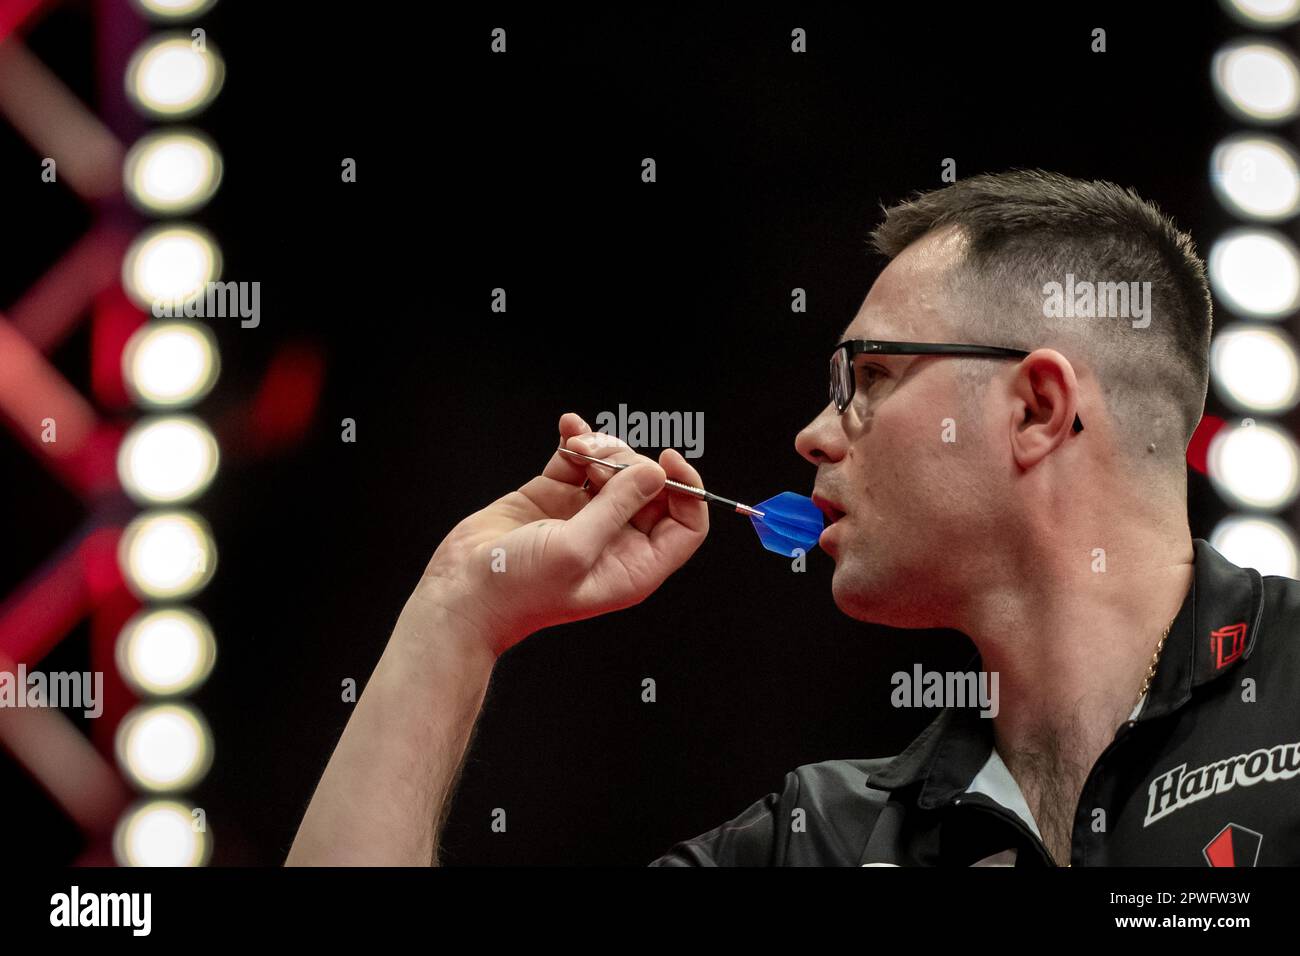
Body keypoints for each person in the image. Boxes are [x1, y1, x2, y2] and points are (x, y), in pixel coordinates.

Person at [287, 170, 1300, 867]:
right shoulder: (822, 836)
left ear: (1034, 410)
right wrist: (459, 608)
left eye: (868, 379)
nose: (816, 434)